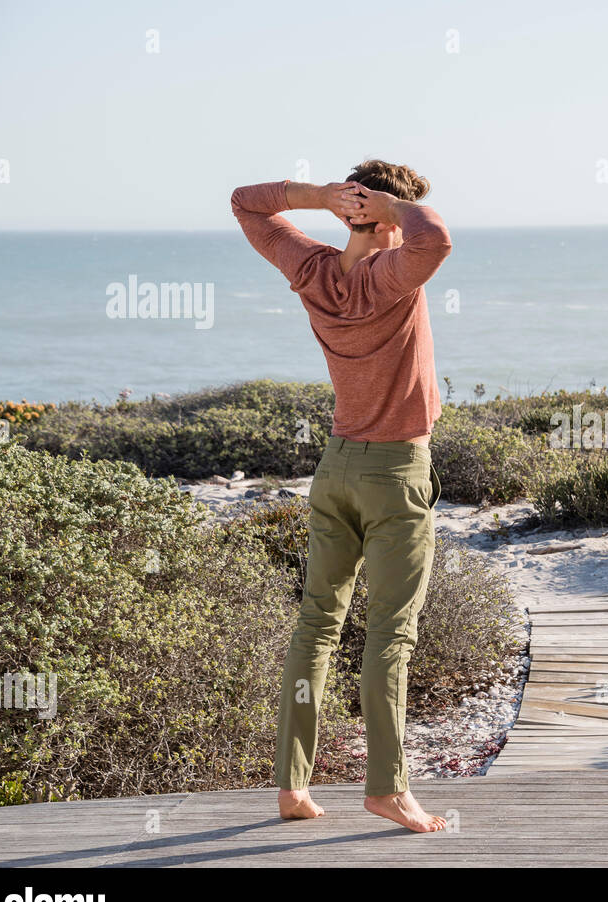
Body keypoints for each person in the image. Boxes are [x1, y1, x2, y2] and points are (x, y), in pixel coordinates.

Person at [231, 160, 452, 832]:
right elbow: (435, 238)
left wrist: (318, 199)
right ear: (386, 218)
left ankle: (293, 785)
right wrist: (385, 207)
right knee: (390, 635)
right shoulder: (392, 274)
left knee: (317, 624)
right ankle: (387, 788)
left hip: (336, 467)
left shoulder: (313, 271)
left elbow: (246, 203)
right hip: (395, 473)